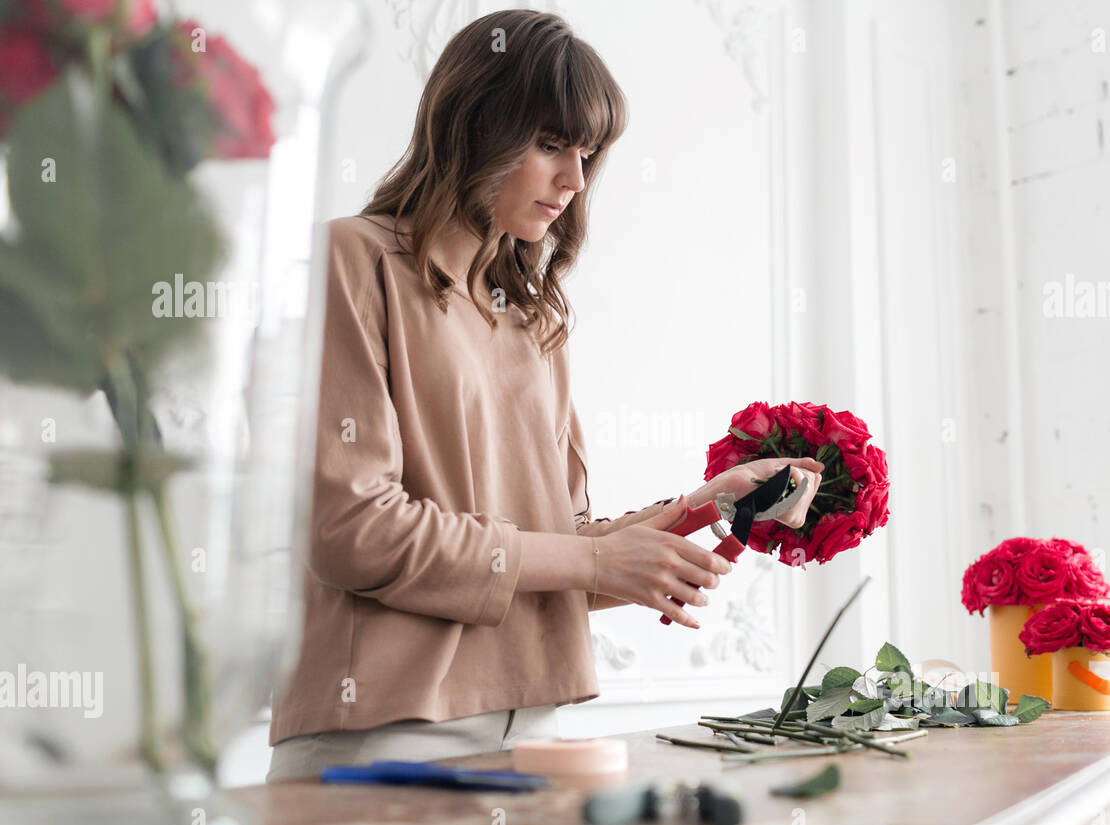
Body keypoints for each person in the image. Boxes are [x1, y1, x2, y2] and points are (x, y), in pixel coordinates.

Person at [265, 9, 821, 782]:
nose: (574, 180)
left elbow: (559, 548)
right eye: (550, 144)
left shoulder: (530, 320)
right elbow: (353, 532)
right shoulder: (354, 260)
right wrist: (590, 564)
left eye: (587, 153)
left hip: (538, 732)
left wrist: (708, 503)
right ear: (471, 125)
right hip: (387, 731)